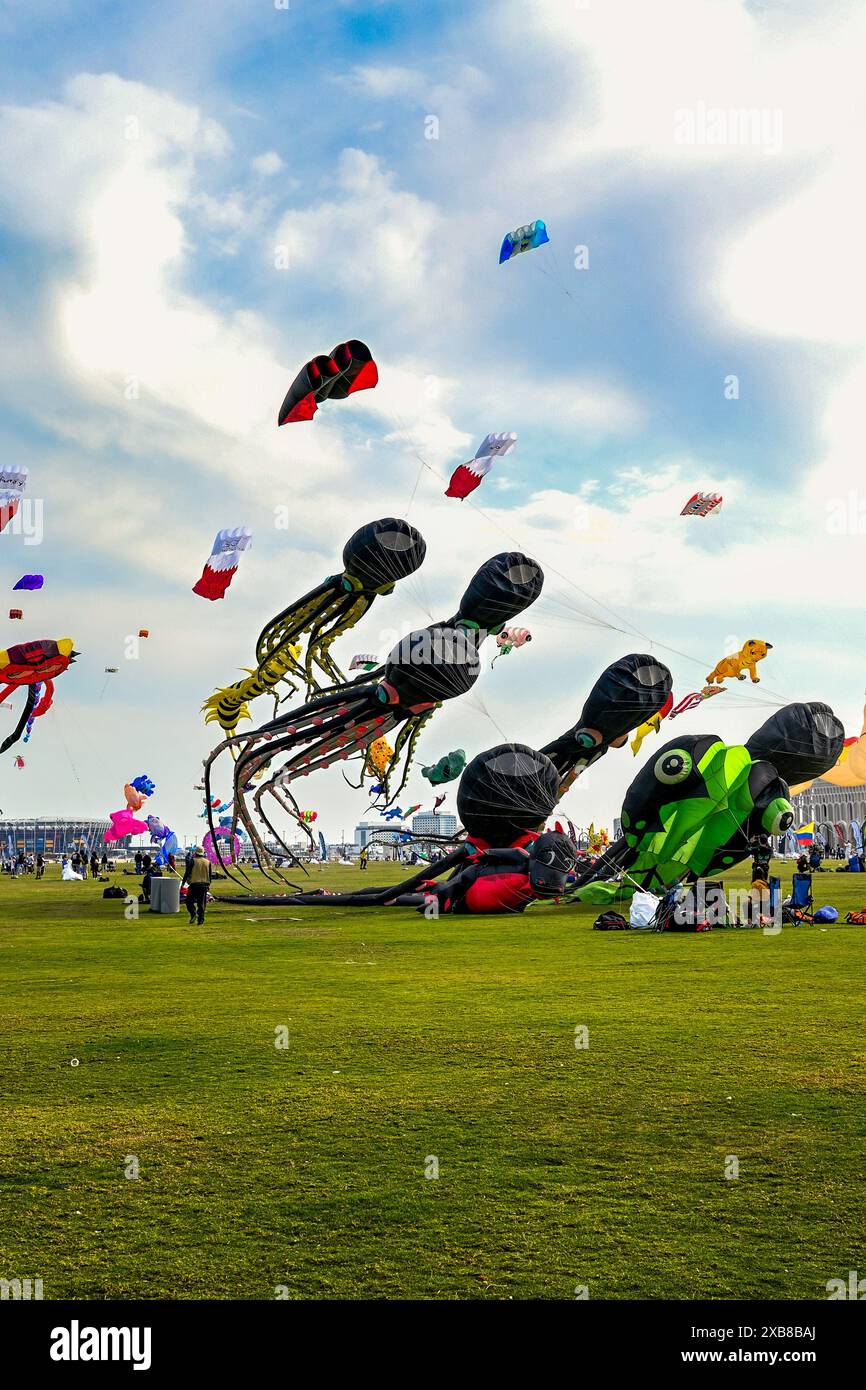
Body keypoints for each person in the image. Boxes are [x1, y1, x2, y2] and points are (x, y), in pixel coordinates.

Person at [182, 847, 212, 925]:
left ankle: (193, 913)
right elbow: (210, 875)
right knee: (201, 904)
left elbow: (187, 873)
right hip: (204, 885)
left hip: (194, 884)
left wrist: (183, 883)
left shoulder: (193, 861)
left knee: (189, 901)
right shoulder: (208, 862)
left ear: (195, 853)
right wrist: (208, 884)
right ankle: (200, 920)